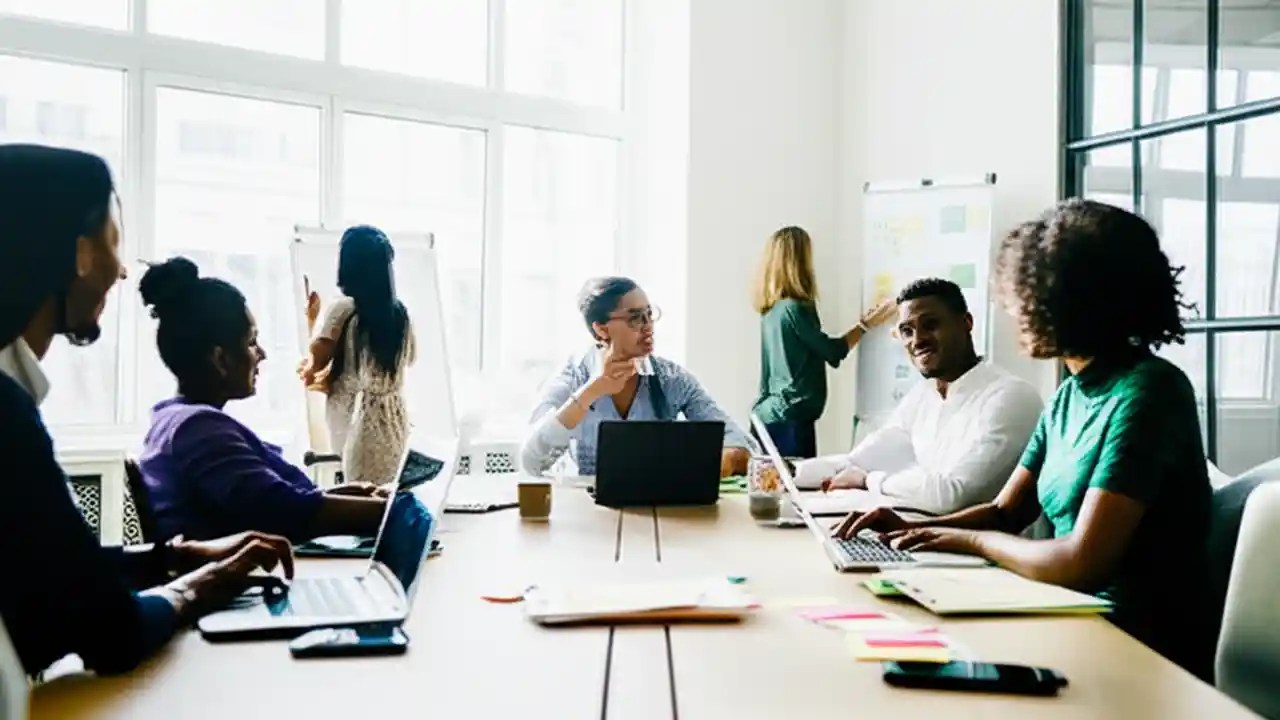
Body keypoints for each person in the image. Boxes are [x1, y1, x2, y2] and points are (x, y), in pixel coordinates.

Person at [835, 200, 1212, 678]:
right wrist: (917, 532)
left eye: (1023, 294)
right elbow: (1006, 513)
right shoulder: (1068, 394)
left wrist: (969, 540)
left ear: (1074, 299)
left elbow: (1081, 561)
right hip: (1070, 614)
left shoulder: (1149, 391)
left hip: (1135, 647)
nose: (1012, 308)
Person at [0, 143, 292, 676]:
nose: (120, 273)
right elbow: (109, 630)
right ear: (80, 253)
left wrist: (175, 559)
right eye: (116, 242)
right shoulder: (5, 415)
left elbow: (61, 572)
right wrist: (201, 586)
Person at [137, 257, 389, 544]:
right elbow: (287, 511)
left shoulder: (172, 419)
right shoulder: (198, 429)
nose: (262, 354)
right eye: (251, 342)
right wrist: (401, 513)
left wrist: (359, 494)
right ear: (220, 359)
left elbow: (280, 499)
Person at [796, 278, 1043, 515]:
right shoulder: (923, 396)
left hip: (987, 553)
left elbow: (952, 496)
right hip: (924, 537)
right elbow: (857, 462)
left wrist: (870, 481)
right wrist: (786, 473)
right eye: (907, 330)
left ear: (967, 322)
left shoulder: (1011, 397)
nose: (918, 339)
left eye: (931, 324)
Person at [520, 277, 754, 477]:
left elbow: (741, 445)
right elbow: (531, 461)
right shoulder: (574, 376)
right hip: (588, 510)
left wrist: (699, 466)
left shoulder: (671, 378)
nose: (648, 326)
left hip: (657, 508)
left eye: (649, 315)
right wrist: (592, 391)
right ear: (602, 329)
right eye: (635, 318)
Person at [751, 226, 895, 458]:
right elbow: (833, 351)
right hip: (790, 417)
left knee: (774, 489)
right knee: (801, 489)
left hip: (768, 415)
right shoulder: (795, 308)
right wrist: (867, 323)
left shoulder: (771, 310)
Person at [298, 225, 415, 486]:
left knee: (360, 495)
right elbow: (407, 360)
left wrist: (313, 320)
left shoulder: (342, 309)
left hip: (355, 420)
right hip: (394, 420)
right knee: (388, 494)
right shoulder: (400, 315)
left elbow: (315, 366)